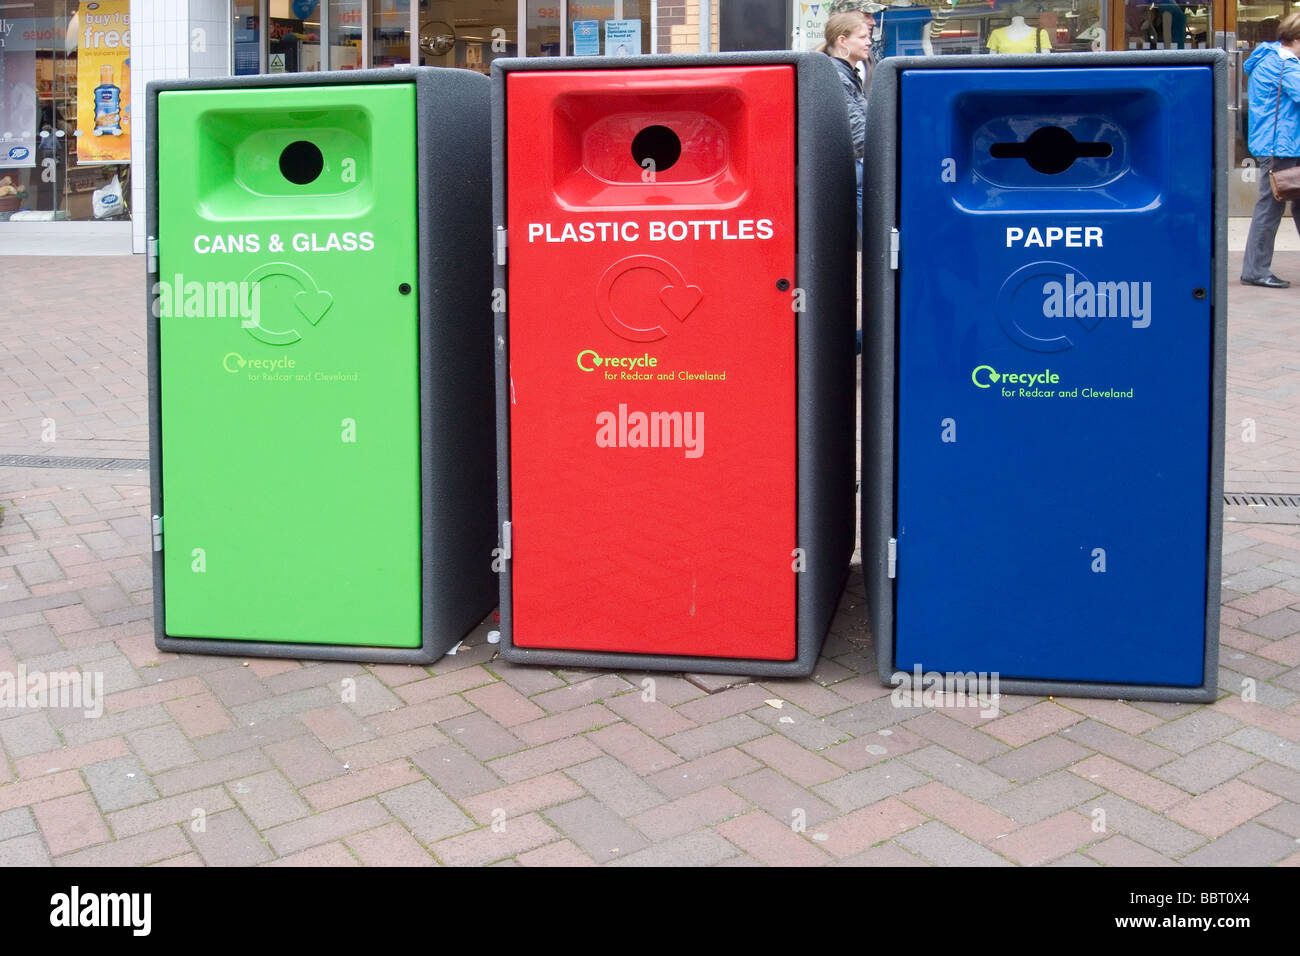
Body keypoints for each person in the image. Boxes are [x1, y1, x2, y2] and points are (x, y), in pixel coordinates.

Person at [1241, 12, 1300, 288]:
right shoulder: (1284, 64)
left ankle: (1256, 268)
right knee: (1270, 207)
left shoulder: (1272, 57)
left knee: (1287, 205)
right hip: (1280, 145)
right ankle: (1255, 270)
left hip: (1281, 143)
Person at [819, 11, 871, 238]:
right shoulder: (837, 77)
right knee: (865, 242)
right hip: (853, 168)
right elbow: (858, 135)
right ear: (843, 41)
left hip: (853, 168)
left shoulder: (846, 74)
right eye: (862, 37)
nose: (869, 41)